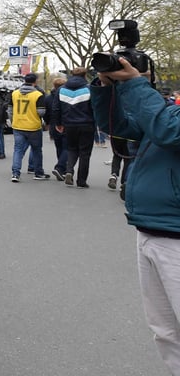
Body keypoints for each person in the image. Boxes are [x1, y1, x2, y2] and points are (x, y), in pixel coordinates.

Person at [89, 56, 180, 374]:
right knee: (165, 331)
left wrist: (135, 83)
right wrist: (106, 89)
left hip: (175, 235)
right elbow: (119, 128)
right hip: (152, 227)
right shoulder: (170, 109)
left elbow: (168, 131)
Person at [48, 67, 96, 188]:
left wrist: (58, 123)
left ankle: (69, 170)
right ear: (85, 75)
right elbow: (95, 107)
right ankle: (81, 181)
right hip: (86, 124)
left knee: (72, 149)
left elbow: (56, 108)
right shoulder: (89, 89)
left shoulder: (61, 89)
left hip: (68, 125)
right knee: (85, 153)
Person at [9, 73, 50, 182]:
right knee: (36, 150)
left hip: (18, 125)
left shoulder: (15, 93)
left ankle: (15, 174)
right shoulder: (38, 94)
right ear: (35, 82)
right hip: (33, 126)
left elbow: (10, 109)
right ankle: (38, 173)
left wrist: (13, 121)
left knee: (18, 150)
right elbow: (41, 112)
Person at [46, 76, 68, 180]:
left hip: (53, 125)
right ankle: (60, 167)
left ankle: (62, 169)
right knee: (67, 147)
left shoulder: (48, 98)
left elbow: (46, 113)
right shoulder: (66, 96)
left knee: (59, 147)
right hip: (65, 124)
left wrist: (48, 123)